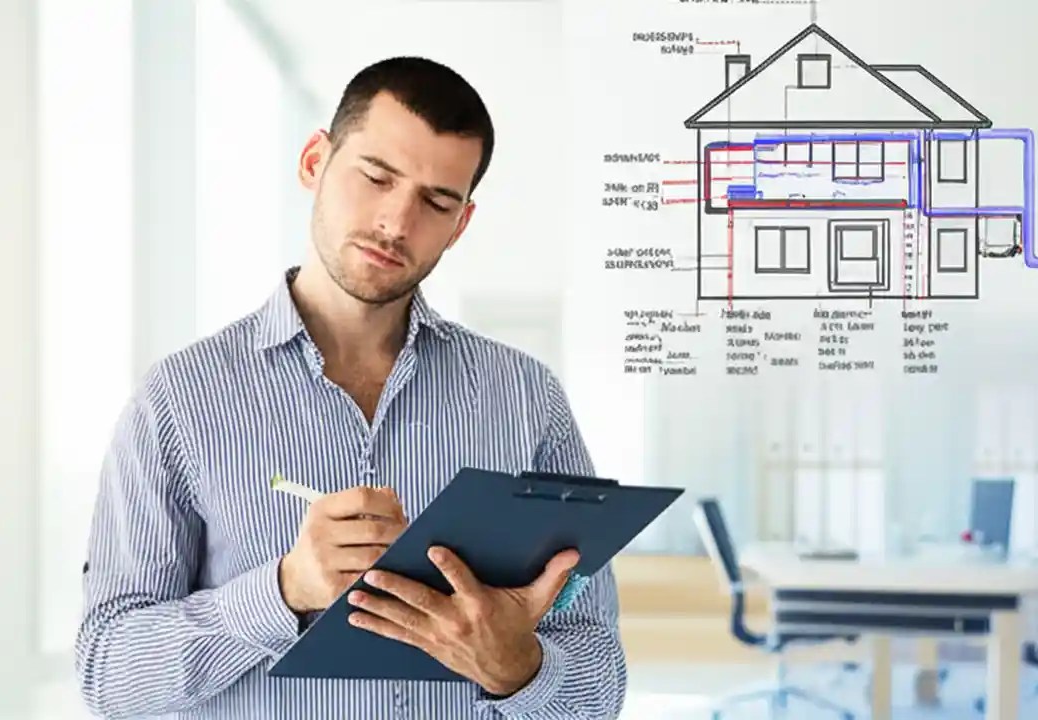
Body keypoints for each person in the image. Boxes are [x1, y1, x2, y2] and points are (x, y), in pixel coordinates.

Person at [74, 55, 627, 719]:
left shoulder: (527, 399)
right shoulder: (179, 401)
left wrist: (518, 668)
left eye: (436, 201)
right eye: (376, 177)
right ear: (315, 161)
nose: (396, 222)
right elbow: (110, 677)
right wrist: (283, 590)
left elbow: (599, 686)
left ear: (462, 223)